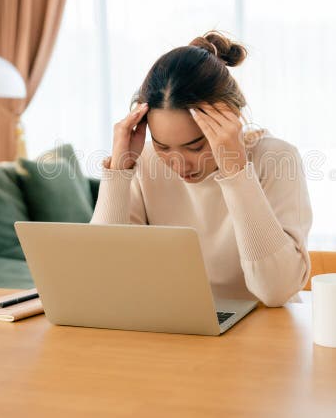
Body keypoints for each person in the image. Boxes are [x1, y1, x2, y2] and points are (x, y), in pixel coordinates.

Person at [90, 31, 312, 307]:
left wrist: (236, 172)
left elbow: (275, 291)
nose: (179, 165)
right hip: (179, 324)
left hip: (265, 327)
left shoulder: (277, 159)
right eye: (163, 147)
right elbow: (102, 278)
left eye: (195, 147)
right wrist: (118, 170)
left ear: (230, 119)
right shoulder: (145, 162)